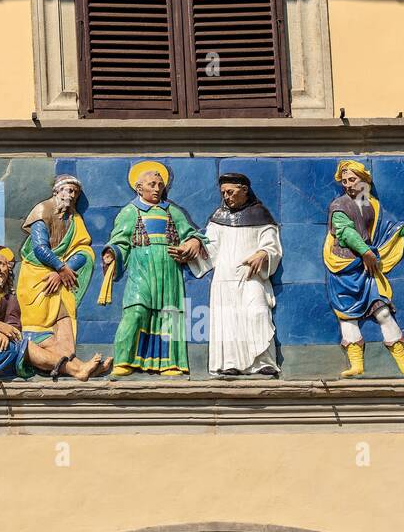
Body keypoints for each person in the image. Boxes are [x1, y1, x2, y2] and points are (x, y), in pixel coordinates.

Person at [324, 161, 404, 379]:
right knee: (347, 317)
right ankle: (356, 365)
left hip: (368, 267)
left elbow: (386, 228)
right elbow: (345, 232)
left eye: (353, 179)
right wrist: (365, 252)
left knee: (383, 312)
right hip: (343, 266)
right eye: (345, 181)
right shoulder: (339, 205)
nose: (348, 184)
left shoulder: (371, 203)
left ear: (364, 180)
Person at [0, 244, 110, 380]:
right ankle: (77, 371)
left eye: (2, 264)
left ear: (9, 270)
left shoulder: (10, 297)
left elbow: (14, 324)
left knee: (50, 342)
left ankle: (84, 369)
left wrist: (5, 334)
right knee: (26, 346)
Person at [101, 161, 206, 376]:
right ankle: (124, 359)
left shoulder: (172, 212)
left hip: (169, 269)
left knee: (170, 313)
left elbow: (190, 234)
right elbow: (120, 239)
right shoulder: (130, 212)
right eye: (152, 184)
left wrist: (193, 243)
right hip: (142, 268)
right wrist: (112, 252)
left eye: (160, 185)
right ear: (139, 188)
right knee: (136, 310)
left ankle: (171, 363)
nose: (157, 188)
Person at [189, 172, 282, 376]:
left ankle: (263, 361)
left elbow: (272, 244)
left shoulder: (261, 215)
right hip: (224, 278)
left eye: (230, 192)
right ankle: (229, 362)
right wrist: (193, 248)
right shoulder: (218, 218)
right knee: (227, 318)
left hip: (251, 276)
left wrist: (263, 254)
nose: (226, 197)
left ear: (244, 190)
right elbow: (210, 249)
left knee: (258, 312)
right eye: (223, 193)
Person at [15, 174, 96, 366]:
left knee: (65, 318)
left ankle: (72, 362)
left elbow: (84, 249)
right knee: (37, 325)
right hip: (35, 276)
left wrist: (63, 273)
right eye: (67, 190)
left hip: (59, 278)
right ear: (56, 191)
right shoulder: (42, 210)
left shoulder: (74, 218)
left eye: (74, 192)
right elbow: (40, 248)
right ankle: (68, 366)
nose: (71, 195)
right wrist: (61, 267)